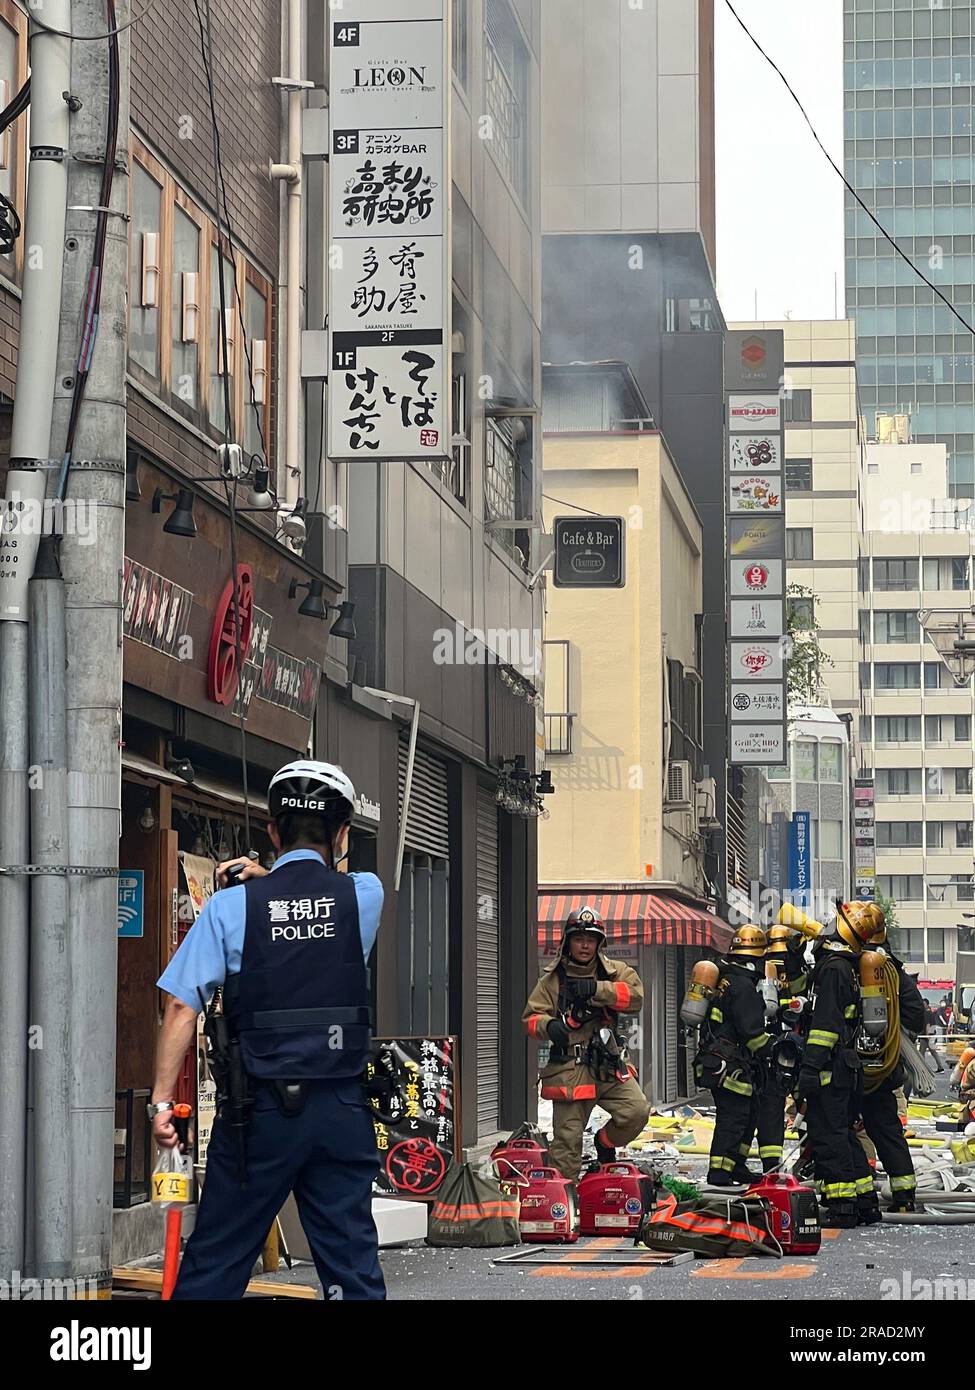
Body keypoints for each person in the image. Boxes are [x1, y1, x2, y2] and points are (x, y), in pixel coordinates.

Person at [151, 760, 386, 1300]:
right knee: (352, 1272)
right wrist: (278, 881)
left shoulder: (230, 908)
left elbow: (182, 1008)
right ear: (343, 832)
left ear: (272, 832)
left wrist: (162, 1103)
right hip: (342, 1109)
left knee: (216, 1265)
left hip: (256, 1115)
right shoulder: (364, 896)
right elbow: (320, 892)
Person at [523, 906, 649, 1180]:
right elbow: (531, 1020)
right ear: (568, 941)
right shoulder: (552, 980)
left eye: (590, 939)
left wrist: (597, 990)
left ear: (599, 943)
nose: (584, 945)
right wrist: (552, 1027)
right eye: (579, 938)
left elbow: (637, 997)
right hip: (569, 1070)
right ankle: (565, 1204)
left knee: (637, 1111)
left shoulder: (615, 973)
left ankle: (605, 1143)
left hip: (608, 1065)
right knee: (567, 1145)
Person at [796, 902, 877, 1229]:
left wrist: (810, 1070)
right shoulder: (844, 967)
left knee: (829, 1137)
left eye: (833, 922)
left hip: (830, 1069)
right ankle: (865, 1202)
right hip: (845, 1068)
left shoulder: (834, 969)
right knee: (843, 1135)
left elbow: (825, 1027)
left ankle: (843, 1207)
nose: (826, 925)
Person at [856, 905, 923, 1214]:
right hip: (884, 1068)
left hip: (851, 1068)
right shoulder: (894, 970)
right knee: (886, 1129)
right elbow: (917, 1017)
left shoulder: (849, 966)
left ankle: (855, 1193)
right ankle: (904, 1195)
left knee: (837, 1128)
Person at [695, 926, 773, 1186]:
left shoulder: (725, 978)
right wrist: (775, 1050)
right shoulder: (743, 987)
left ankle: (735, 1166)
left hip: (721, 1061)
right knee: (734, 1119)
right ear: (757, 956)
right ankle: (719, 1172)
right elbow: (753, 1035)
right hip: (732, 1066)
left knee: (747, 1115)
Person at [752, 924, 809, 1172]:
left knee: (769, 1107)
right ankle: (805, 1157)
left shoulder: (761, 966)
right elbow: (804, 996)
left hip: (768, 1048)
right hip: (796, 1048)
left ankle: (771, 1164)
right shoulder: (795, 966)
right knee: (804, 1105)